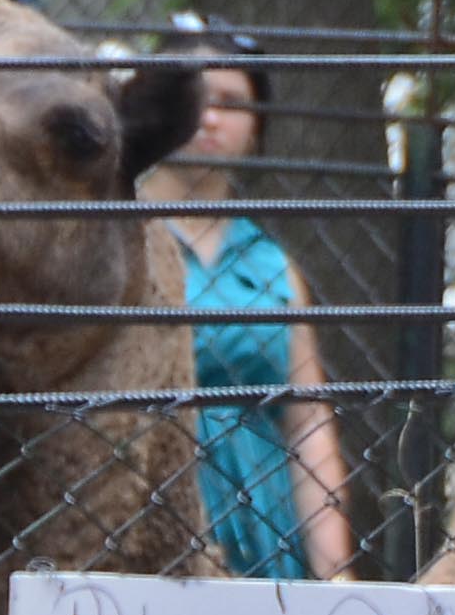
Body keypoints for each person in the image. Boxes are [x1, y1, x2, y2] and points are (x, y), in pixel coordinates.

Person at [143, 30, 349, 583]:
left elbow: (308, 422)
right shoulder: (114, 240)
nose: (210, 118)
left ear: (255, 128)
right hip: (143, 512)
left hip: (264, 527)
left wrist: (335, 574)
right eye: (194, 97)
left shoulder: (273, 266)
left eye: (232, 103)